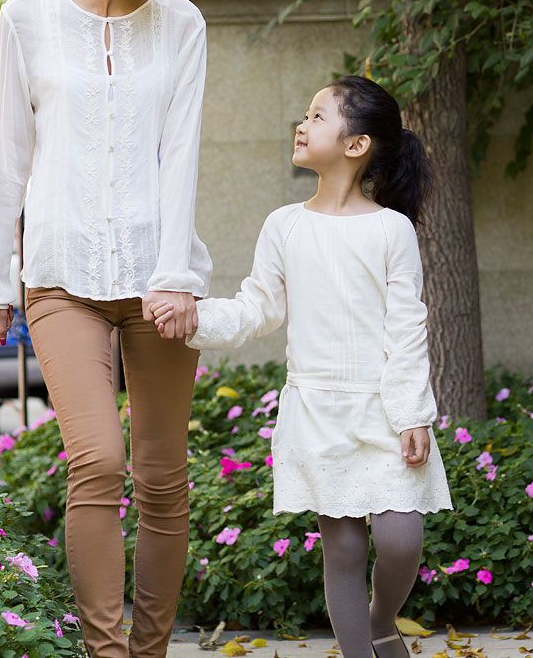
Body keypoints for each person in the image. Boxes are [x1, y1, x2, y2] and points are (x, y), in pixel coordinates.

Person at [0, 0, 210, 658]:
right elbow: (7, 154)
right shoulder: (26, 18)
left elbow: (182, 157)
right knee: (98, 460)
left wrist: (175, 275)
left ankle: (150, 649)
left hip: (157, 278)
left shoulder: (182, 25)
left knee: (163, 477)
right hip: (61, 275)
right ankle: (106, 652)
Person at [154, 75, 453, 658]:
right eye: (306, 114)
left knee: (400, 540)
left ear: (356, 144)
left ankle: (382, 621)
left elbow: (407, 328)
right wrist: (197, 321)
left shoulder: (393, 228)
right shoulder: (284, 225)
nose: (302, 123)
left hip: (384, 410)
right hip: (315, 410)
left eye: (318, 116)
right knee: (341, 551)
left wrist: (413, 414)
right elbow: (258, 308)